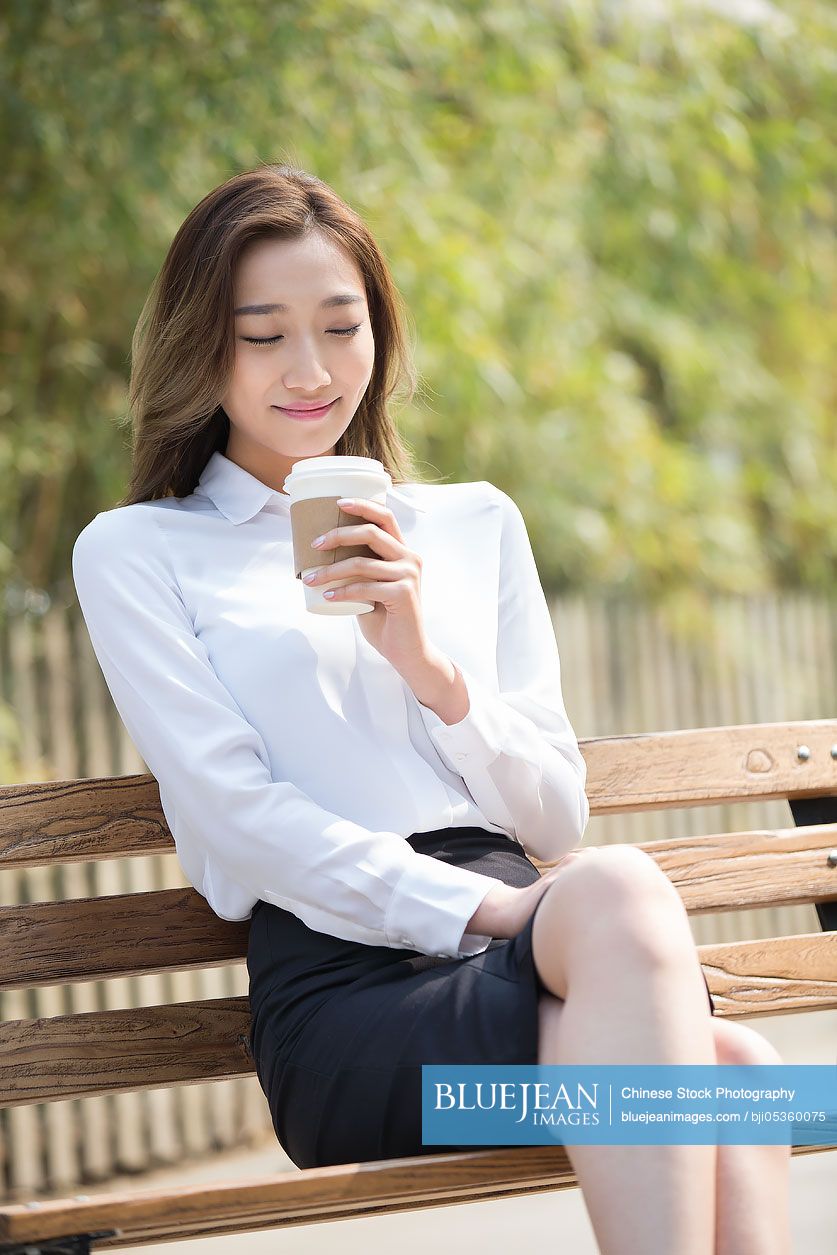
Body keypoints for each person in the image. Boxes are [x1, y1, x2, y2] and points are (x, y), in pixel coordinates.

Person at [71, 162, 791, 1255]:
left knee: (743, 1075)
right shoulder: (138, 551)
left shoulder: (474, 524)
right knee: (638, 931)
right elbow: (232, 821)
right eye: (261, 334)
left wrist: (432, 668)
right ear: (199, 345)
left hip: (527, 977)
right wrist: (492, 913)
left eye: (338, 326)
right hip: (353, 1022)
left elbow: (551, 821)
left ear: (380, 334)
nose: (308, 370)